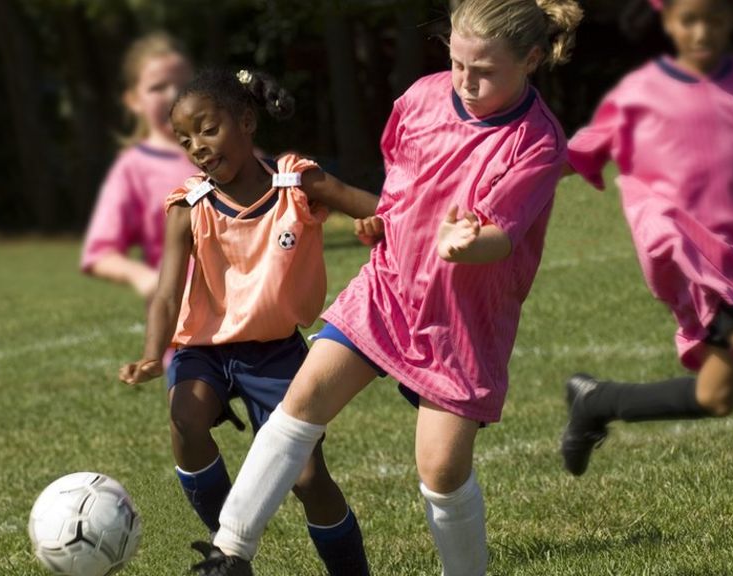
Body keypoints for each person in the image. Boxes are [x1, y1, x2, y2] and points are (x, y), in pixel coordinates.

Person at [189, 1, 583, 574]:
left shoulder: (536, 143)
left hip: (461, 321)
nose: (467, 83)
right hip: (388, 289)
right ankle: (229, 554)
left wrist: (468, 244)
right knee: (301, 405)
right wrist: (385, 221)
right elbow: (401, 184)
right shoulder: (420, 98)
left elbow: (500, 236)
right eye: (457, 64)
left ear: (530, 59)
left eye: (485, 71)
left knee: (441, 472)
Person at [118, 67, 381, 575]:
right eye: (185, 139)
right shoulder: (188, 204)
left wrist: (374, 224)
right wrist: (154, 354)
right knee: (185, 421)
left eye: (208, 129)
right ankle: (229, 555)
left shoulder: (297, 182)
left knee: (308, 479)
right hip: (206, 349)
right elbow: (169, 290)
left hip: (277, 351)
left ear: (245, 121)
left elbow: (374, 209)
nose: (196, 146)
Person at [560, 0, 733, 477]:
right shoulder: (641, 93)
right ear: (669, 22)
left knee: (715, 396)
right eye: (689, 20)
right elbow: (572, 154)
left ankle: (597, 402)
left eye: (715, 18)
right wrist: (499, 187)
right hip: (690, 256)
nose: (702, 31)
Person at [80, 32, 196, 300]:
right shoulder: (133, 169)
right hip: (183, 330)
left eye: (185, 85)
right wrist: (143, 277)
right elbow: (100, 253)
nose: (174, 95)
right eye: (158, 87)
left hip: (250, 322)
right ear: (133, 100)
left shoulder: (234, 153)